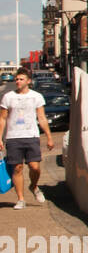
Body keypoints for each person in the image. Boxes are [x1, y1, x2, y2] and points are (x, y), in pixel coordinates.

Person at [0, 68, 54, 209]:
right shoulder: (8, 97)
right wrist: (0, 138)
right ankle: (21, 199)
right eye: (16, 79)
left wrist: (49, 137)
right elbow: (3, 118)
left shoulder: (36, 97)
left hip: (32, 136)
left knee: (34, 167)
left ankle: (34, 186)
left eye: (21, 79)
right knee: (17, 168)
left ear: (28, 81)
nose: (18, 81)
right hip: (13, 137)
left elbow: (41, 118)